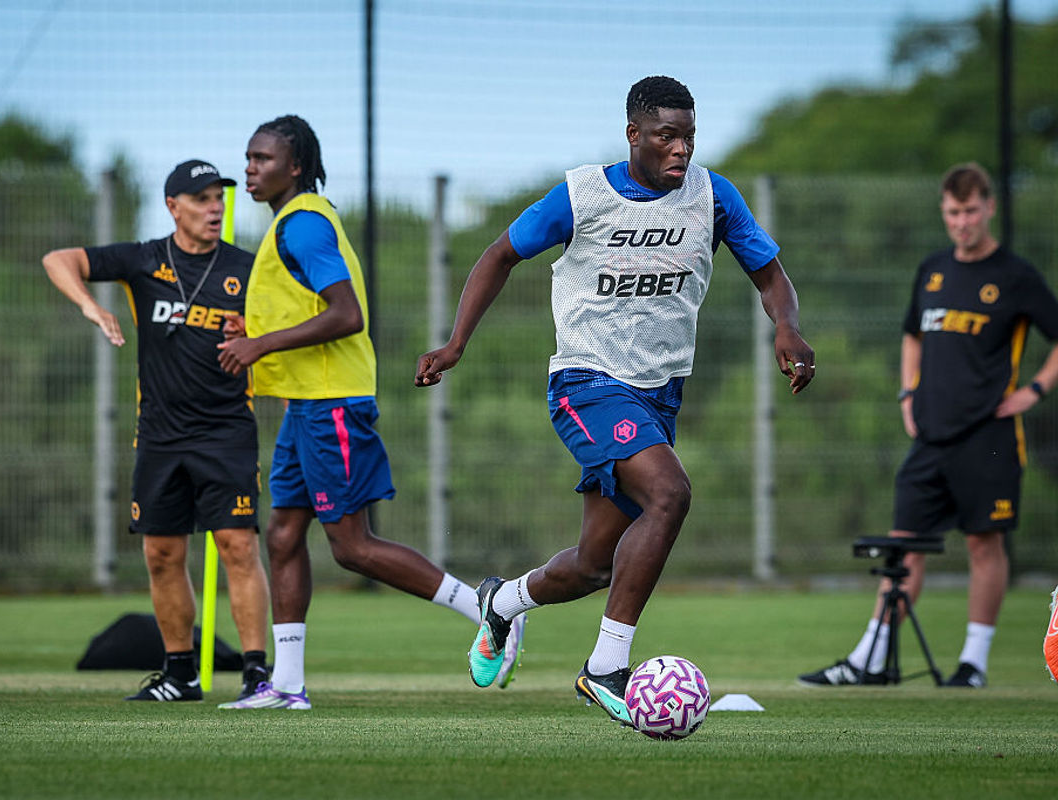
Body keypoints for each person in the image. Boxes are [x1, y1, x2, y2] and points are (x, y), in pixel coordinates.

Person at [414, 76, 815, 726]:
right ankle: (606, 670)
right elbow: (497, 256)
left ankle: (502, 604)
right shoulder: (582, 194)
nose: (679, 149)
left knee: (594, 567)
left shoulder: (713, 198)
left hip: (658, 398)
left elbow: (769, 275)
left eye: (687, 135)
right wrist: (455, 342)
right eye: (665, 136)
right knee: (671, 493)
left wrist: (787, 325)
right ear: (634, 135)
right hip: (585, 384)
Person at [216, 115, 523, 710]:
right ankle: (287, 686)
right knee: (281, 536)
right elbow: (305, 310)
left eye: (263, 159)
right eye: (249, 158)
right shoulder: (289, 222)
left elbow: (346, 314)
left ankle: (487, 608)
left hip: (332, 404)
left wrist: (258, 345)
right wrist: (253, 330)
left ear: (296, 166)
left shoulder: (303, 226)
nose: (251, 168)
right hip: (304, 406)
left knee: (352, 547)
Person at [799, 162, 1058, 689]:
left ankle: (974, 663)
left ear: (987, 208)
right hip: (930, 437)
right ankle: (870, 658)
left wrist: (1032, 392)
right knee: (903, 546)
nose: (961, 222)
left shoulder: (1016, 276)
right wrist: (907, 391)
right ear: (943, 213)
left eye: (969, 212)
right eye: (951, 213)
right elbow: (913, 334)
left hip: (989, 436)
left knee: (985, 545)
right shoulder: (933, 269)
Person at [42, 159, 272, 703]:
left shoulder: (248, 266)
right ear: (173, 206)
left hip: (226, 431)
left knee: (238, 546)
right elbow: (58, 259)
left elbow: (290, 321)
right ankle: (180, 674)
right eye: (201, 199)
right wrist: (90, 306)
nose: (214, 207)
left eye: (219, 197)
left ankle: (258, 674)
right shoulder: (143, 260)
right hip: (160, 437)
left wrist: (256, 328)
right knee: (162, 554)